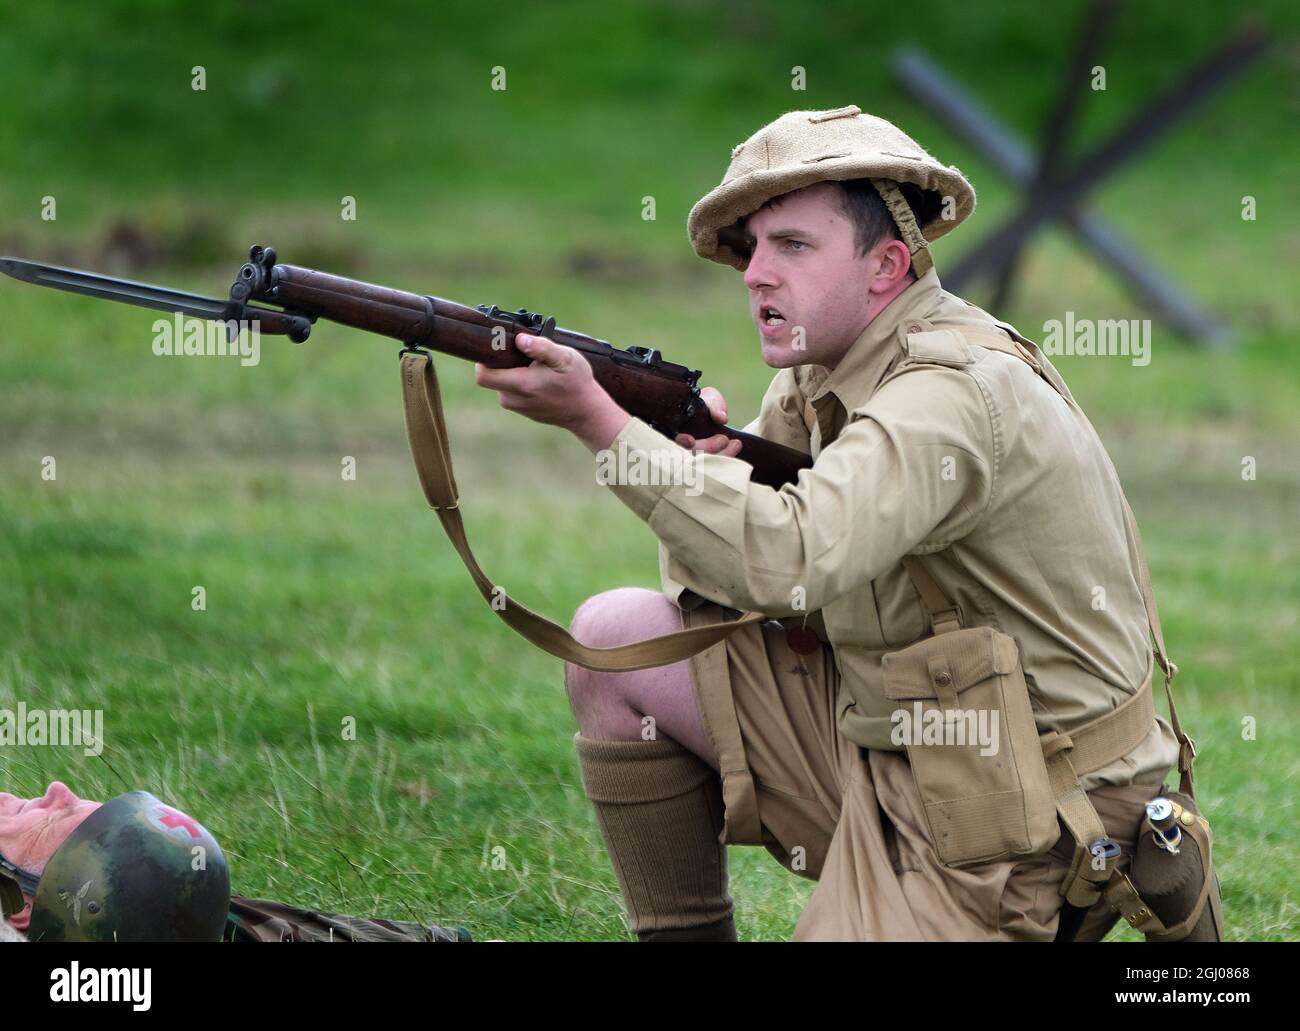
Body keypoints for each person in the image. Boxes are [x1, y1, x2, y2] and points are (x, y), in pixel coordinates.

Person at [471, 104, 1198, 941]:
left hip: (1023, 809)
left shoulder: (948, 393)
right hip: (896, 737)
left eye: (794, 246)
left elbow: (786, 559)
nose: (755, 274)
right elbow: (719, 589)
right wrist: (705, 467)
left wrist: (605, 427)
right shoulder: (825, 373)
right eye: (752, 246)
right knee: (614, 641)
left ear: (887, 264)